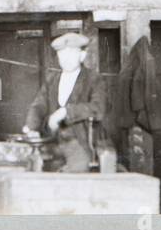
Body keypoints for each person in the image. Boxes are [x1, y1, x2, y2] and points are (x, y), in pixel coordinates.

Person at [22, 32, 108, 173]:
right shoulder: (52, 80)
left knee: (75, 174)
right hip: (52, 141)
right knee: (31, 170)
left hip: (80, 143)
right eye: (62, 54)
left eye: (71, 53)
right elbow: (38, 106)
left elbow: (98, 108)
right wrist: (32, 127)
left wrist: (66, 112)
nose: (66, 59)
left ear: (82, 55)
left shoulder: (94, 79)